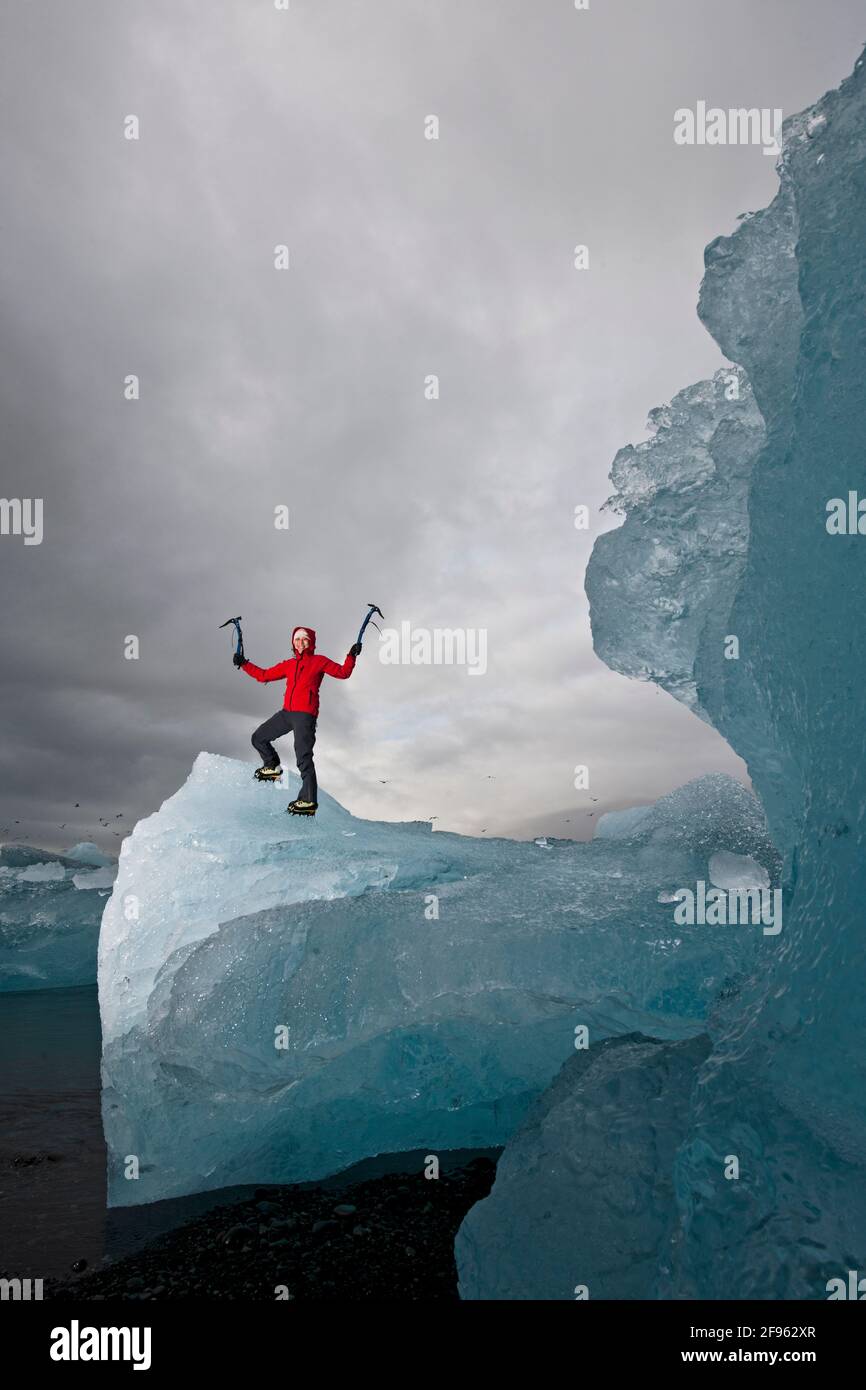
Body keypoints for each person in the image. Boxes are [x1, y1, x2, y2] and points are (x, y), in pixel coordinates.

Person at [235, 626, 361, 815]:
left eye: (305, 639)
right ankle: (271, 766)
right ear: (293, 642)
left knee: (303, 757)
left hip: (305, 716)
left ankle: (309, 801)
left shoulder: (319, 661)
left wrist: (351, 655)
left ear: (311, 643)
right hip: (287, 713)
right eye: (297, 639)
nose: (300, 643)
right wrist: (244, 664)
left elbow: (343, 672)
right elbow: (263, 675)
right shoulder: (289, 664)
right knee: (258, 737)